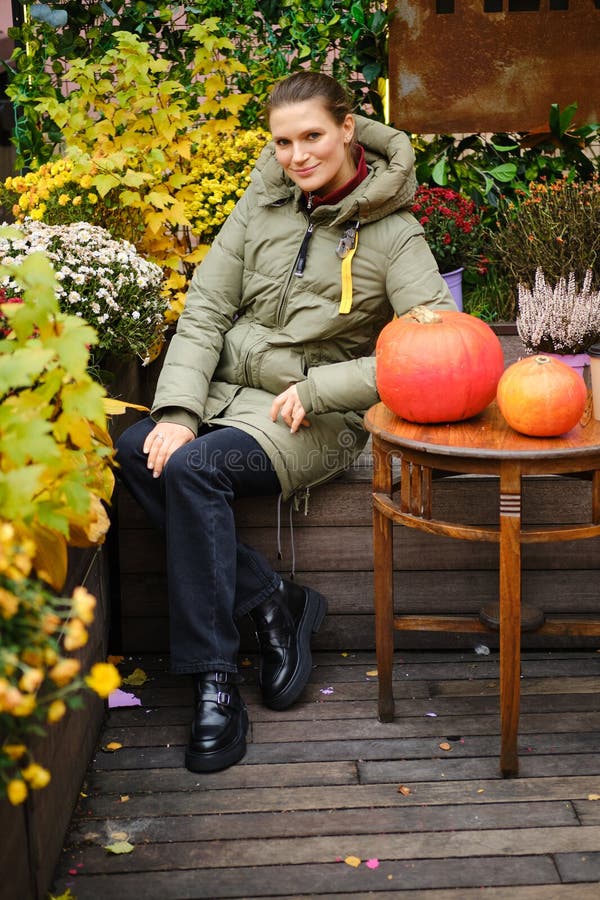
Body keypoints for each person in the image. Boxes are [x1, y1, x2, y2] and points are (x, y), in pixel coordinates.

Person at [116, 70, 456, 774]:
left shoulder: (393, 232)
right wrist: (177, 409)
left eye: (311, 137)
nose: (297, 156)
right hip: (223, 392)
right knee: (135, 446)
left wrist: (327, 385)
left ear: (348, 130)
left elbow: (439, 341)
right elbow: (206, 310)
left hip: (312, 415)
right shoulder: (262, 204)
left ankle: (213, 678)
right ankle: (274, 601)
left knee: (194, 466)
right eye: (283, 142)